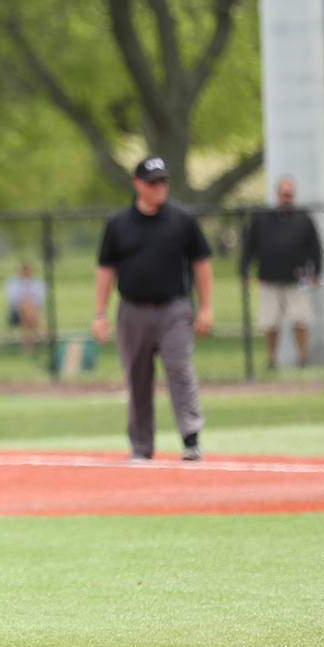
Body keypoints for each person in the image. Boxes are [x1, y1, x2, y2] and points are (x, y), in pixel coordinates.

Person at [91, 156, 212, 462]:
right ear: (137, 185)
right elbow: (105, 268)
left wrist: (206, 307)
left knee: (179, 370)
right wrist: (100, 313)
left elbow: (201, 262)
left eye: (163, 181)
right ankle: (142, 445)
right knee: (137, 377)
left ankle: (190, 437)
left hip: (173, 309)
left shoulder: (182, 218)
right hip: (133, 309)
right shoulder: (119, 223)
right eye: (152, 182)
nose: (159, 187)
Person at [239, 176, 323, 368]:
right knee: (270, 322)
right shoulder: (262, 218)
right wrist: (244, 269)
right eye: (284, 194)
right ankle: (272, 360)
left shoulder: (304, 218)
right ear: (276, 194)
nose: (287, 198)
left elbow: (315, 247)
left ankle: (302, 358)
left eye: (290, 195)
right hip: (269, 278)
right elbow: (249, 247)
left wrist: (317, 271)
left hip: (297, 279)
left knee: (301, 319)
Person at [4, 261, 46, 353]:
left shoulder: (37, 282)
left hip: (32, 310)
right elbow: (13, 299)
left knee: (27, 313)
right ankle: (42, 332)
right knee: (25, 307)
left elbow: (40, 299)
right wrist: (26, 299)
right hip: (18, 310)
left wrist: (27, 300)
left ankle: (27, 346)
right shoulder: (13, 282)